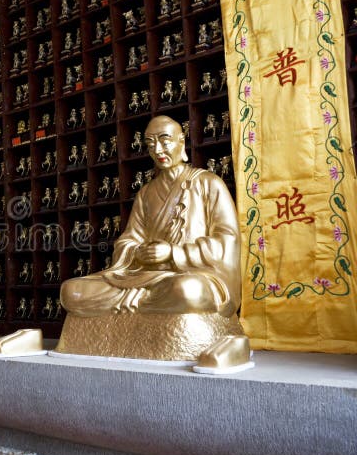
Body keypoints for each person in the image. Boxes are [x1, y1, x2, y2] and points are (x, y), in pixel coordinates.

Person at [56, 116, 247, 364]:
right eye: (150, 144)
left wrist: (174, 253)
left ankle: (145, 299)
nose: (157, 150)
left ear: (182, 141)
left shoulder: (209, 184)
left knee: (188, 291)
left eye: (164, 141)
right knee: (72, 292)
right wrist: (137, 253)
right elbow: (129, 240)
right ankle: (144, 300)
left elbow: (227, 241)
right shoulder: (146, 194)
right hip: (143, 277)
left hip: (188, 277)